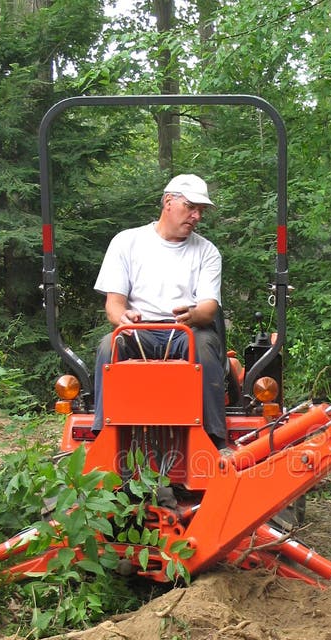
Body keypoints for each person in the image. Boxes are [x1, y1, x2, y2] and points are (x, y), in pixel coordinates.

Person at [91, 174, 227, 448]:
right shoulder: (127, 242)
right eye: (191, 207)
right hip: (139, 331)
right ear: (168, 201)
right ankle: (104, 434)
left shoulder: (207, 252)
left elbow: (208, 308)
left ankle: (214, 438)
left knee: (203, 344)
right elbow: (114, 305)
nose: (196, 216)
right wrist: (123, 318)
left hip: (185, 331)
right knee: (110, 344)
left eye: (200, 211)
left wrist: (193, 314)